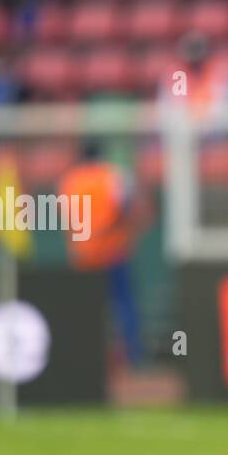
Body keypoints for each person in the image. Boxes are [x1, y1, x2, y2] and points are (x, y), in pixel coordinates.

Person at [59, 141, 144, 366]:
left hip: (85, 255)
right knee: (124, 306)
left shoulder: (71, 180)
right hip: (113, 251)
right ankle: (134, 357)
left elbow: (67, 218)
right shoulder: (113, 175)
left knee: (86, 309)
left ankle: (85, 357)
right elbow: (125, 209)